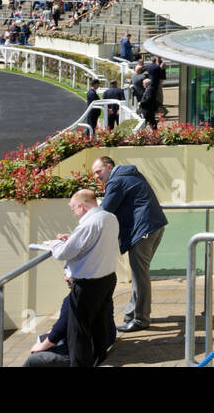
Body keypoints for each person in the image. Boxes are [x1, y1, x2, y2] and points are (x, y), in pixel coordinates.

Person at [92, 155, 168, 333]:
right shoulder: (130, 174)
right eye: (94, 174)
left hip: (143, 231)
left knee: (140, 277)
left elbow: (105, 211)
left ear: (109, 167)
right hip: (154, 227)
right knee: (139, 275)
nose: (96, 176)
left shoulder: (116, 181)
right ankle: (132, 313)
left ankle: (141, 319)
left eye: (98, 171)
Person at [47, 189, 119, 367]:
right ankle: (99, 357)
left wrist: (54, 244)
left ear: (81, 205)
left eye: (73, 209)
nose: (73, 212)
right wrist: (72, 238)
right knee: (99, 323)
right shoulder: (110, 217)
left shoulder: (88, 224)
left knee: (78, 330)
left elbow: (64, 253)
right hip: (107, 278)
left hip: (88, 285)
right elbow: (93, 244)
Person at [23, 288, 117, 367]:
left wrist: (41, 346)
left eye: (69, 274)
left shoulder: (73, 299)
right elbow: (62, 325)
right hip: (107, 340)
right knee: (45, 338)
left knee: (33, 359)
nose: (66, 278)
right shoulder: (102, 290)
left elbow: (59, 330)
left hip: (84, 352)